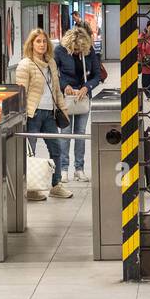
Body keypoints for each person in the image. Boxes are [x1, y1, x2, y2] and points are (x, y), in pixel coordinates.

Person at [16, 28, 72, 200]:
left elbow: (56, 91)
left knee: (56, 149)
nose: (41, 44)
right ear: (31, 44)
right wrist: (22, 115)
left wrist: (63, 110)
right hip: (32, 114)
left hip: (49, 114)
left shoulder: (51, 63)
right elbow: (21, 93)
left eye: (43, 41)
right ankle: (30, 188)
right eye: (37, 41)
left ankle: (56, 185)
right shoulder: (25, 64)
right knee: (29, 152)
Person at [53, 21, 101, 183]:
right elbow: (53, 73)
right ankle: (63, 169)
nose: (77, 52)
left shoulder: (89, 51)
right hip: (66, 98)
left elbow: (97, 75)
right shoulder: (59, 51)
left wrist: (87, 87)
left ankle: (79, 169)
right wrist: (64, 86)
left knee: (80, 134)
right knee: (65, 134)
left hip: (83, 98)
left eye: (80, 50)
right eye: (74, 50)